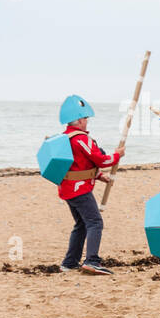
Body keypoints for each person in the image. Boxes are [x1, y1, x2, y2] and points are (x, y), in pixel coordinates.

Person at [55, 95, 122, 275]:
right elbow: (100, 159)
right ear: (78, 120)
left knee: (81, 224)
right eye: (85, 118)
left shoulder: (66, 137)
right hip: (78, 190)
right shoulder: (80, 139)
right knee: (95, 223)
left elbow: (78, 163)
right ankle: (92, 261)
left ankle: (69, 263)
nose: (87, 122)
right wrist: (117, 155)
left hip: (68, 189)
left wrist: (99, 176)